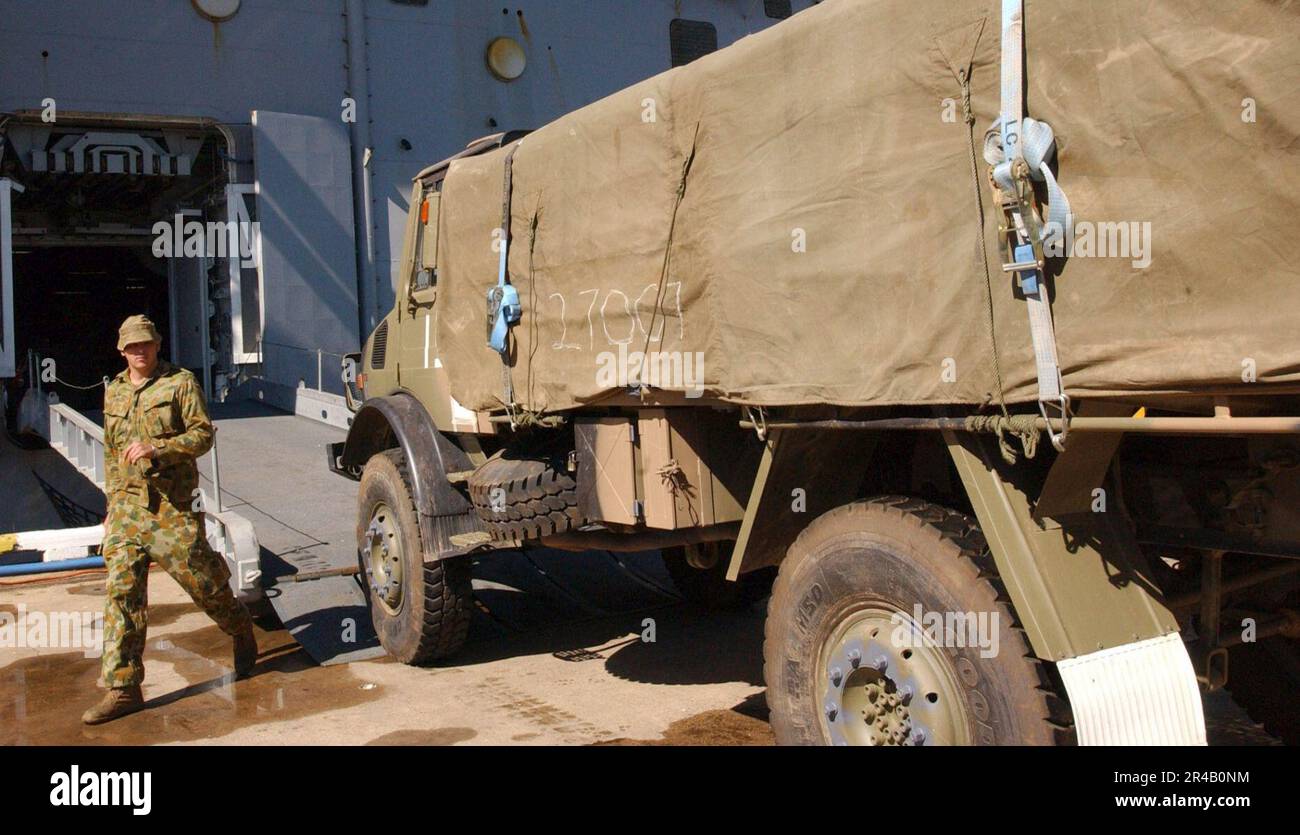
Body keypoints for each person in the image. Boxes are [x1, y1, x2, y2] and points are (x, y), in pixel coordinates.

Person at [82, 315, 257, 725]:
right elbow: (111, 452)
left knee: (203, 583)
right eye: (131, 347)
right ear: (121, 350)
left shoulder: (180, 383)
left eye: (146, 344)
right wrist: (111, 506)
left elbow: (203, 435)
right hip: (128, 508)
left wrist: (158, 449)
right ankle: (123, 688)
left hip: (170, 507)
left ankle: (238, 625)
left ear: (157, 345)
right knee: (121, 592)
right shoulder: (115, 391)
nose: (139, 352)